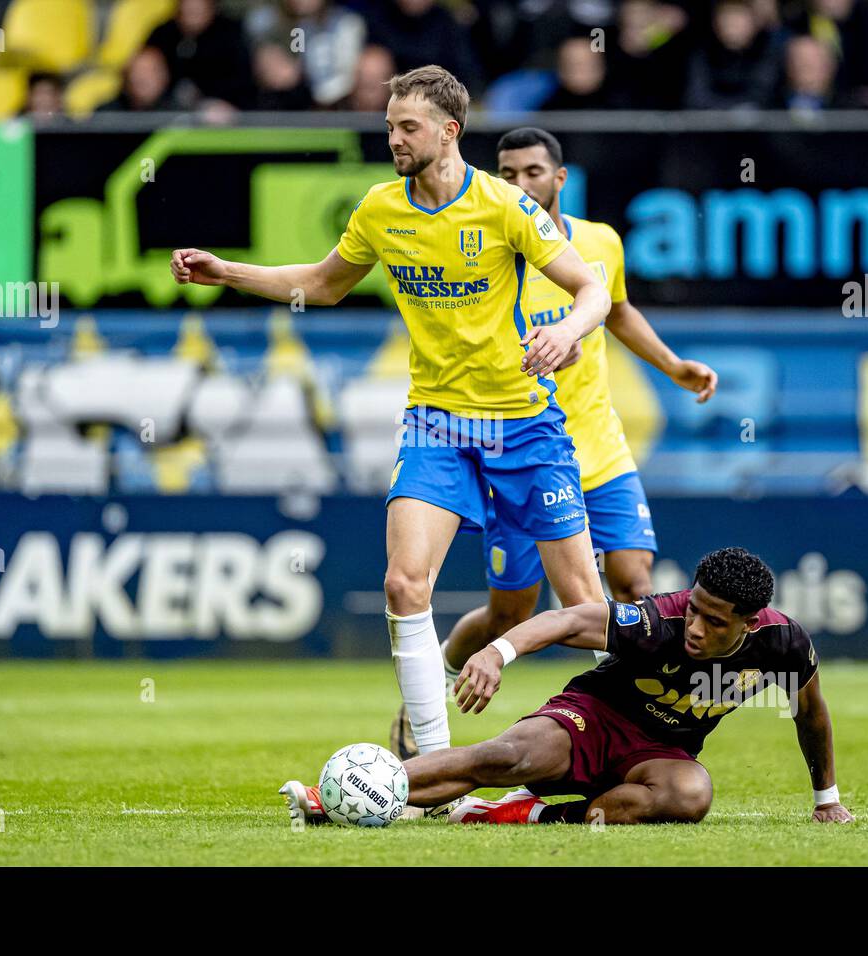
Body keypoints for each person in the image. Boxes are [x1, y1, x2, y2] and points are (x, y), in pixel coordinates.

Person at [172, 65, 610, 761]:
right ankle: (427, 769)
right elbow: (322, 284)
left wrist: (566, 331)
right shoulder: (380, 209)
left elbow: (593, 291)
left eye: (408, 127)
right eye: (389, 128)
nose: (395, 140)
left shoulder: (504, 206)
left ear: (449, 131)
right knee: (404, 583)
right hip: (438, 424)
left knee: (587, 612)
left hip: (525, 427)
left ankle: (634, 736)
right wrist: (228, 273)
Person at [390, 126, 718, 758]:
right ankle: (436, 673)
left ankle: (634, 730)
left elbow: (616, 309)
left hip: (598, 449)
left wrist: (673, 365)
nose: (521, 184)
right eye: (508, 174)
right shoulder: (493, 247)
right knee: (510, 613)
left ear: (560, 178)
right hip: (525, 451)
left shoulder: (599, 243)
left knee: (631, 583)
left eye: (533, 172)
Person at [284, 547, 855, 826]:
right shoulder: (659, 620)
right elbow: (566, 620)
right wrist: (498, 652)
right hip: (590, 718)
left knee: (691, 796)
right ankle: (336, 797)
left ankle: (520, 815)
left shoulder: (783, 646)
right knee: (505, 757)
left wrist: (825, 799)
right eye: (695, 609)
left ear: (749, 624)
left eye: (714, 621)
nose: (696, 628)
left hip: (660, 753)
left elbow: (811, 716)